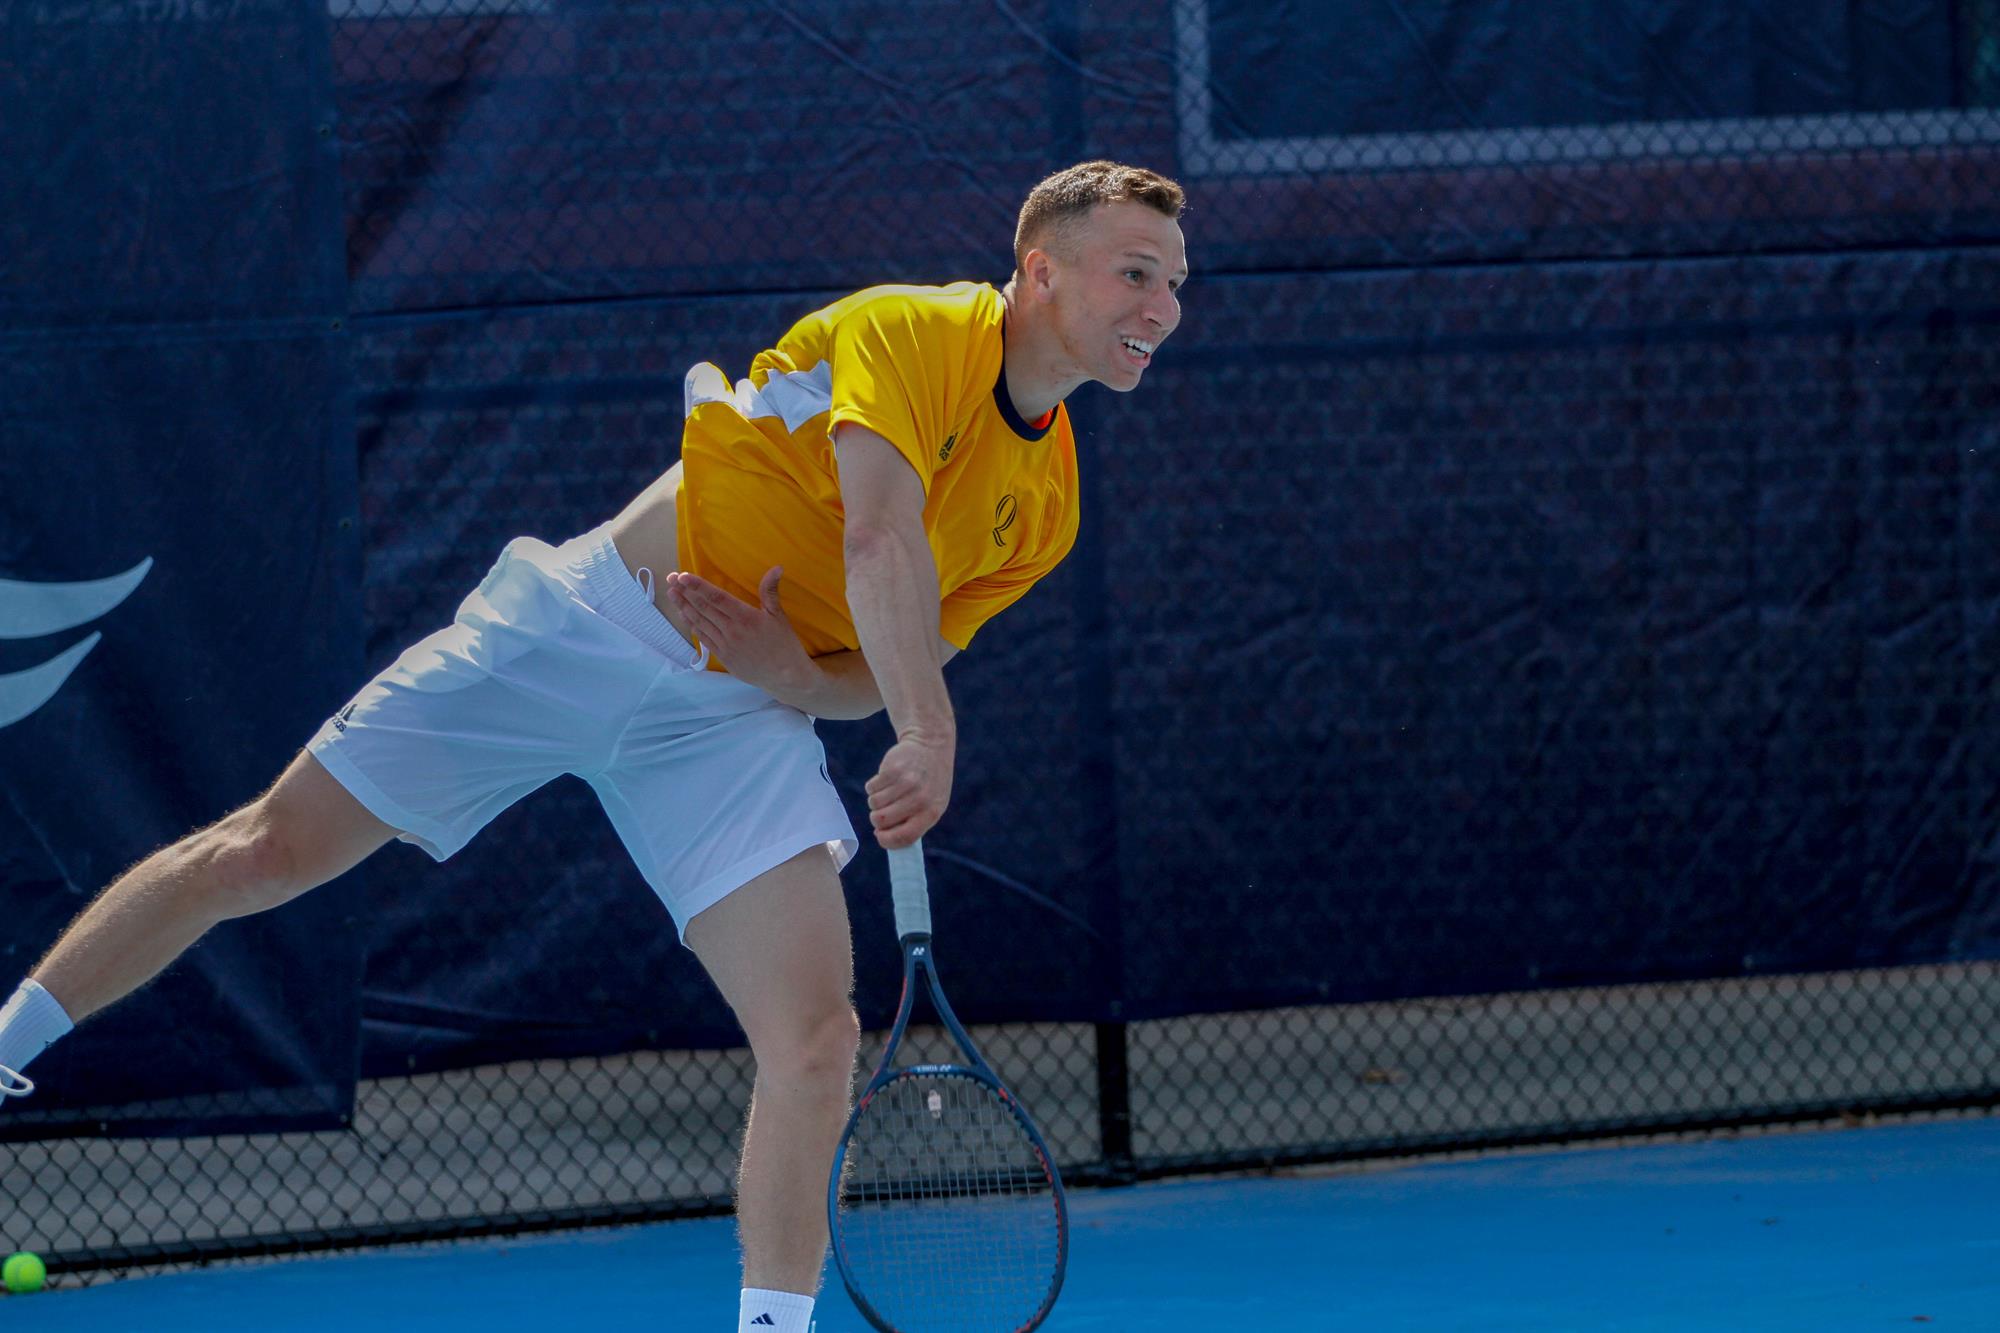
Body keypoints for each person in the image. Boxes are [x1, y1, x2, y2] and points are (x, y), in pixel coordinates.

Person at [0, 159, 1187, 1332]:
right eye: (1135, 274)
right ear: (1038, 270)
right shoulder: (915, 331)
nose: (1162, 309)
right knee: (262, 853)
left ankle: (772, 1330)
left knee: (816, 1036)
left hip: (728, 712)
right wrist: (926, 730)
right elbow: (877, 541)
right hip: (591, 621)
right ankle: (10, 1040)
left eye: (1174, 284)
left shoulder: (1048, 500)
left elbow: (864, 675)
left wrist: (789, 675)